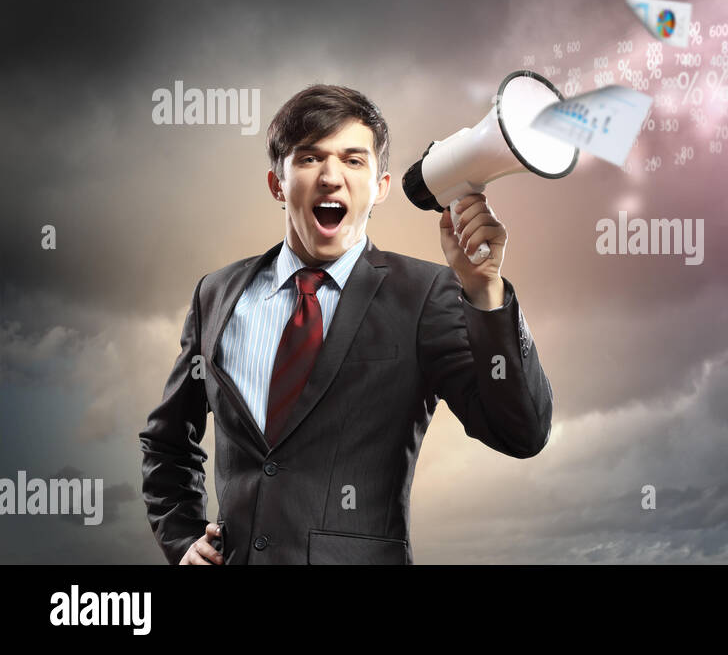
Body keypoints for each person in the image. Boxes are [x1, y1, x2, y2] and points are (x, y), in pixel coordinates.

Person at [139, 84, 553, 564]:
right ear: (277, 183)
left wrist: (485, 293)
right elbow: (167, 441)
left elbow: (522, 433)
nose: (331, 177)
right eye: (310, 158)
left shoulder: (425, 295)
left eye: (354, 160)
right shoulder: (215, 294)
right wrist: (183, 537)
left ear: (380, 185)